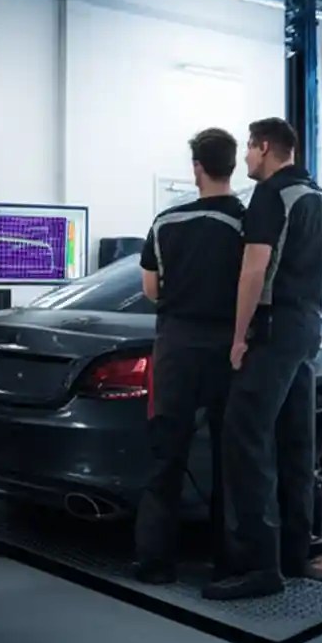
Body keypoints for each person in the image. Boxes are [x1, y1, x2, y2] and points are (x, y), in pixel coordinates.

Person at [202, 117, 322, 601]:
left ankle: (259, 567)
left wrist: (238, 336)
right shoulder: (320, 196)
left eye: (250, 149)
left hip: (272, 332)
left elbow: (253, 270)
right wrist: (309, 257)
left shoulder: (270, 195)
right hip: (308, 330)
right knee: (296, 443)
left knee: (246, 441)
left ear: (265, 147)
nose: (247, 158)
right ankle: (295, 553)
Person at [133, 127, 246, 584]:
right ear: (233, 166)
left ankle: (154, 563)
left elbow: (150, 289)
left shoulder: (166, 222)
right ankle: (227, 563)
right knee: (230, 457)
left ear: (196, 167)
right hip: (229, 348)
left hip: (175, 347)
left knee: (166, 455)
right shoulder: (247, 224)